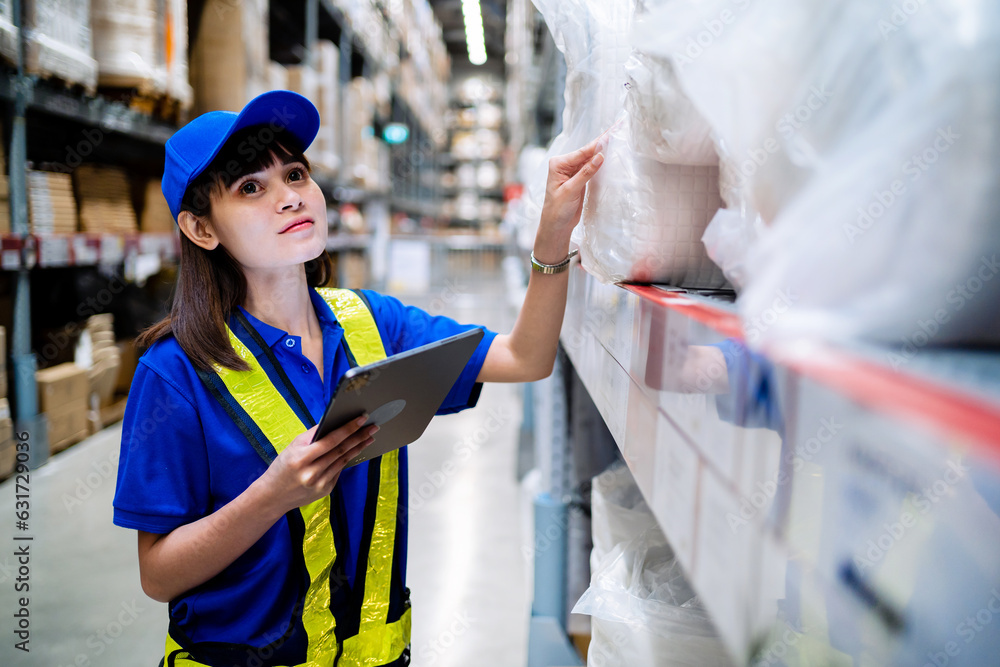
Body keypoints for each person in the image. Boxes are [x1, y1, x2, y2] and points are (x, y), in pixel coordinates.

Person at [112, 90, 604, 667]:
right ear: (201, 229)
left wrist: (552, 241)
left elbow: (525, 358)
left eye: (295, 174)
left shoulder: (372, 322)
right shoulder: (174, 373)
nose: (290, 198)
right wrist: (271, 498)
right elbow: (159, 575)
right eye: (252, 187)